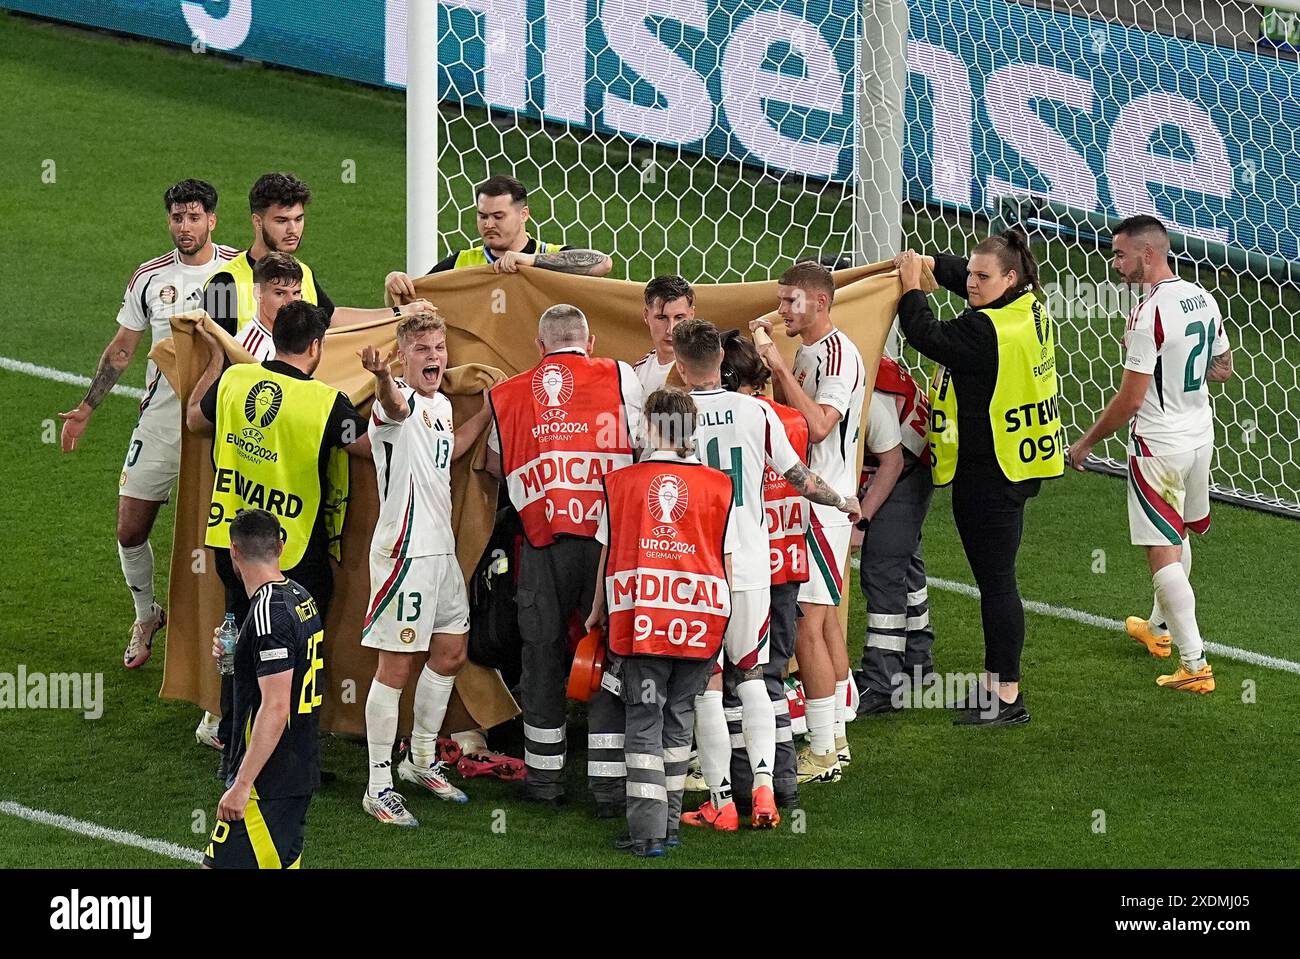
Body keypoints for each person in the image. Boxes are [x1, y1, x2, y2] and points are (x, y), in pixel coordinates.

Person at [673, 319, 858, 830]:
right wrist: (844, 500)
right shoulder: (756, 412)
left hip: (697, 564)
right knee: (754, 677)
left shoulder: (673, 416)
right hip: (754, 562)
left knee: (708, 685)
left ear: (682, 367)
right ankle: (764, 792)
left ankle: (721, 802)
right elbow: (800, 479)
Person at [58, 179, 238, 677]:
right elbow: (122, 347)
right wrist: (88, 407)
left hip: (222, 423)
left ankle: (226, 635)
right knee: (130, 528)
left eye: (194, 216)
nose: (185, 226)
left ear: (212, 220)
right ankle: (147, 615)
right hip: (162, 420)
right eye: (178, 217)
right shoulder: (149, 278)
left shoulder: (237, 271)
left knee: (222, 541)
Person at [187, 300, 372, 760]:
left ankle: (232, 732)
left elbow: (194, 418)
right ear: (316, 346)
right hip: (291, 553)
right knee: (293, 652)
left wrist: (216, 358)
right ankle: (282, 751)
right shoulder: (326, 403)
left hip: (229, 542)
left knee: (238, 638)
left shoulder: (235, 380)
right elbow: (373, 446)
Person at [893, 228, 1063, 726]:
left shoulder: (985, 331)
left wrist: (911, 289)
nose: (970, 283)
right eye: (968, 272)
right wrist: (931, 263)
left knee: (997, 582)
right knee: (997, 578)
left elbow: (926, 335)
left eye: (981, 277)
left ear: (1009, 277)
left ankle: (1007, 695)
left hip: (991, 471)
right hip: (1018, 461)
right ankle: (994, 682)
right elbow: (964, 275)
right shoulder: (1029, 306)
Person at [485, 304, 642, 805]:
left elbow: (492, 465)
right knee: (612, 655)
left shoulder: (510, 393)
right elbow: (646, 445)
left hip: (540, 544)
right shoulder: (622, 376)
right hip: (608, 546)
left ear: (540, 347)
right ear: (589, 342)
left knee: (542, 657)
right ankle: (609, 786)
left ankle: (545, 780)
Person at [1068, 215, 1231, 694]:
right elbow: (1222, 368)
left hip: (1158, 446)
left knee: (1160, 552)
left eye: (1120, 254)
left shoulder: (1149, 313)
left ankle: (1195, 663)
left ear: (1148, 253)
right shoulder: (1203, 297)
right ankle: (1159, 631)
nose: (1114, 263)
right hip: (1199, 435)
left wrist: (1086, 442)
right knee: (1178, 531)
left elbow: (1131, 400)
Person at [584, 388, 735, 857]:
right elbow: (725, 559)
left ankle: (647, 833)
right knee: (677, 726)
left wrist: (596, 611)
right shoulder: (719, 486)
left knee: (643, 725)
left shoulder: (621, 483)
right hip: (702, 622)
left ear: (650, 426)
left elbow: (608, 557)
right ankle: (667, 827)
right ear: (691, 432)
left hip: (642, 622)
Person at [357, 312, 494, 826]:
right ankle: (377, 784)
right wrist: (379, 378)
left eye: (439, 347)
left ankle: (420, 761)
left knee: (451, 652)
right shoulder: (394, 404)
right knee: (395, 668)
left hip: (440, 553)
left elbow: (449, 452)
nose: (434, 356)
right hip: (404, 553)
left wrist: (485, 412)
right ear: (402, 356)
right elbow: (393, 403)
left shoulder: (437, 406)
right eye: (422, 349)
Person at [751, 261, 867, 782]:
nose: (781, 311)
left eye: (790, 301)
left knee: (805, 624)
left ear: (820, 301)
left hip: (825, 505)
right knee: (824, 623)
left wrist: (776, 368)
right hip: (810, 503)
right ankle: (837, 731)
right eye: (780, 301)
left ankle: (822, 750)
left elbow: (819, 427)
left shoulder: (838, 355)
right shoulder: (808, 352)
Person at [201, 510, 324, 869]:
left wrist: (242, 784)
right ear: (281, 546)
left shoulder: (268, 613)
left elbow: (275, 707)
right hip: (296, 769)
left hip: (268, 781)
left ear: (234, 552)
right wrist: (238, 652)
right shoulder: (300, 597)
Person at [718, 330, 806, 810]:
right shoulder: (789, 421)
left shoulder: (725, 422)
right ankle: (782, 785)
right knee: (772, 682)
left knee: (734, 683)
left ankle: (741, 785)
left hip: (743, 566)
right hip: (787, 566)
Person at [200, 171, 433, 333]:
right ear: (257, 222)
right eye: (282, 221)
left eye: (298, 219)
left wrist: (399, 312)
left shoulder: (302, 272)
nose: (293, 230)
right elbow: (213, 357)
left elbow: (333, 318)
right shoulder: (225, 283)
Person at [853, 354, 936, 713]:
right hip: (917, 458)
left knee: (882, 569)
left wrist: (862, 520)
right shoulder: (868, 361)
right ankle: (917, 661)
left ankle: (881, 683)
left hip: (905, 468)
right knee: (904, 558)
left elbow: (892, 462)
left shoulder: (864, 384)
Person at [384, 175, 614, 298]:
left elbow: (603, 263)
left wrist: (531, 261)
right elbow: (410, 300)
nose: (488, 224)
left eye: (498, 216)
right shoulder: (461, 262)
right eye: (482, 216)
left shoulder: (549, 256)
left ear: (523, 215)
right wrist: (393, 283)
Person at [232, 252, 306, 361]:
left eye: (296, 293)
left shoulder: (301, 334)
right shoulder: (249, 351)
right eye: (280, 293)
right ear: (258, 293)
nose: (291, 302)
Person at [632, 276, 694, 392]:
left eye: (679, 318)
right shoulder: (638, 372)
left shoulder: (709, 368)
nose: (670, 330)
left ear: (691, 315)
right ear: (646, 316)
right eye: (661, 318)